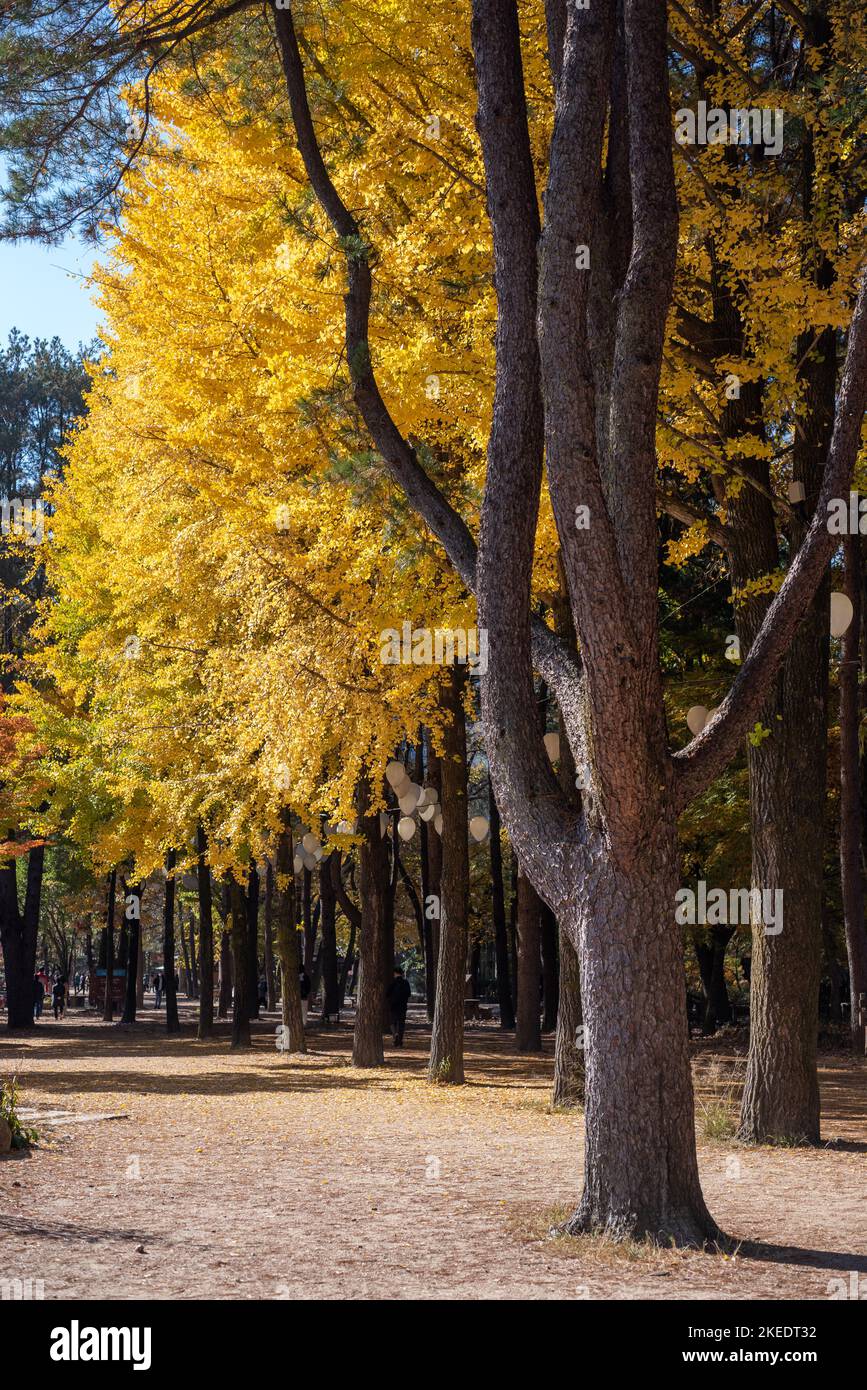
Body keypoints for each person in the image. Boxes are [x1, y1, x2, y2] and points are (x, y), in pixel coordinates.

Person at [386, 967, 411, 1047]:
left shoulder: (393, 983)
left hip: (393, 1006)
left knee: (393, 1022)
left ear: (396, 973)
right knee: (401, 1023)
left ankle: (395, 1035)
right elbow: (409, 994)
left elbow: (387, 994)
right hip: (403, 1006)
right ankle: (400, 1041)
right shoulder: (406, 982)